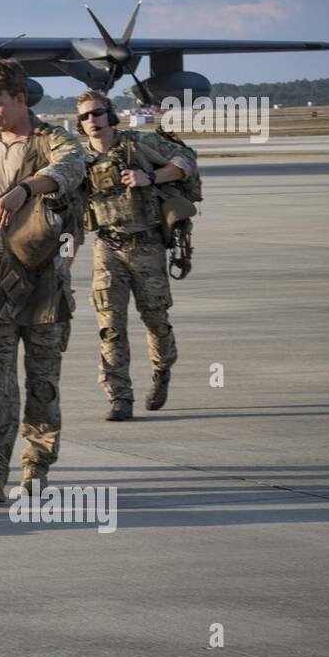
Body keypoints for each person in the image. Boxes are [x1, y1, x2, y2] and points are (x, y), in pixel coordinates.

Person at [0, 59, 86, 500]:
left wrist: (27, 188)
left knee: (42, 378)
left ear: (21, 98)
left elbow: (72, 168)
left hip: (43, 275)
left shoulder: (53, 141)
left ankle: (36, 466)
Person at [75, 89, 195, 419]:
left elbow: (186, 160)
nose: (91, 121)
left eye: (97, 113)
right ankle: (119, 396)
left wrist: (150, 177)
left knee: (156, 320)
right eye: (84, 116)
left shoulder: (138, 144)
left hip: (147, 245)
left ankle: (161, 369)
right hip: (107, 247)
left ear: (110, 115)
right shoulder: (79, 158)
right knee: (110, 326)